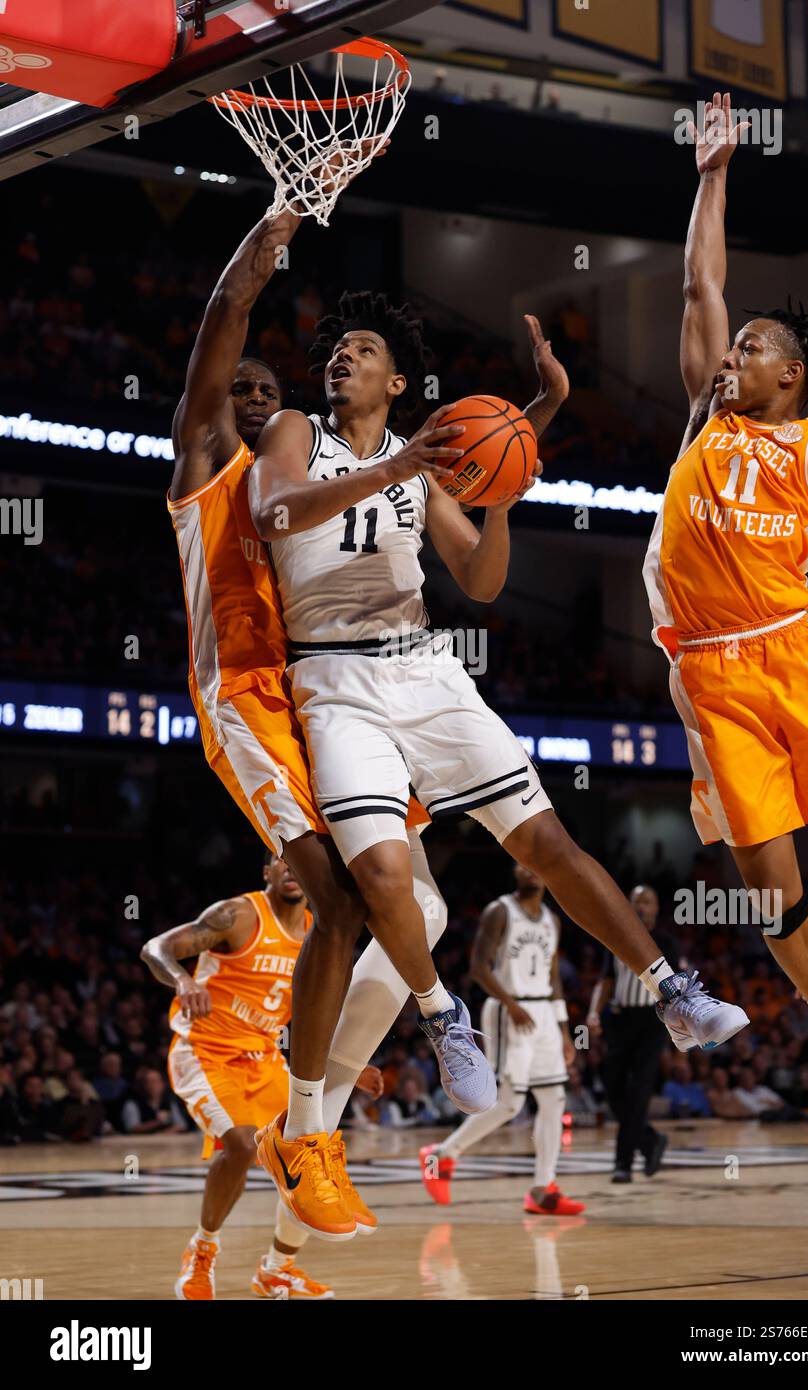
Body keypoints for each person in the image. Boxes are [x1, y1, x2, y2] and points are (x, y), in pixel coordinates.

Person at [249, 286, 748, 1235]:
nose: (340, 360)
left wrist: (528, 446)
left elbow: (479, 574)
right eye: (337, 352)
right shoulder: (291, 433)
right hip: (333, 680)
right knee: (383, 872)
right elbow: (276, 516)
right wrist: (402, 462)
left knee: (551, 841)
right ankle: (441, 1017)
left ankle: (676, 991)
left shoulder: (427, 462)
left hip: (427, 670)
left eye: (361, 351)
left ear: (398, 381)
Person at [168, 188, 484, 1243]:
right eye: (244, 392)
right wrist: (265, 246)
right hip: (248, 699)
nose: (260, 403)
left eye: (273, 391)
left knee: (421, 913)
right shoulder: (212, 463)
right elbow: (221, 336)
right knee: (342, 903)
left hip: (324, 695)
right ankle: (311, 1133)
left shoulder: (323, 476)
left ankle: (328, 1105)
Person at [642, 90, 808, 1097]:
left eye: (751, 349)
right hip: (709, 671)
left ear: (792, 374)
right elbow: (700, 286)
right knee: (768, 888)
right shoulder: (706, 414)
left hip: (792, 653)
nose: (732, 356)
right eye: (732, 348)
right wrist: (712, 175)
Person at [142, 852, 379, 1299]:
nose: (290, 867)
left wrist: (348, 1065)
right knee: (237, 1144)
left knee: (308, 1153)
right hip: (205, 1052)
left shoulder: (318, 933)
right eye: (280, 860)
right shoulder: (236, 915)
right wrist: (183, 982)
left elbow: (305, 1019)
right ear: (266, 872)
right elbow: (155, 948)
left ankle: (276, 1270)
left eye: (297, 861)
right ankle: (202, 1252)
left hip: (265, 1058)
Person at [419, 864, 583, 1216]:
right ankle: (443, 1154)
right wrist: (511, 1004)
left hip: (543, 1014)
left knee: (554, 1098)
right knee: (509, 1102)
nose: (532, 868)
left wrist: (565, 1030)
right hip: (511, 1011)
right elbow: (478, 967)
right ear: (514, 869)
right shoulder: (500, 911)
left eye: (538, 862)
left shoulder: (552, 921)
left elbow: (554, 979)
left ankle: (543, 1188)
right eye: (524, 861)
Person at [588, 885, 679, 1181]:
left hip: (652, 1021)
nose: (641, 906)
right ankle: (649, 1140)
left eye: (647, 901)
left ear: (656, 908)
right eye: (636, 901)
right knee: (612, 1087)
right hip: (620, 1017)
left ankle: (623, 1163)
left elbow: (679, 989)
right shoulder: (615, 935)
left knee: (639, 1091)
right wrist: (593, 1012)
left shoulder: (667, 942)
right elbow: (606, 980)